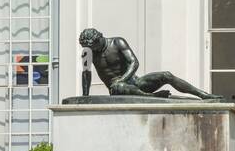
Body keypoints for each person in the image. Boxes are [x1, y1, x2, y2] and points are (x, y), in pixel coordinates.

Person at [79, 28, 222, 99]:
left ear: (99, 38)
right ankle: (152, 97)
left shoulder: (117, 42)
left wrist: (122, 79)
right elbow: (86, 74)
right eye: (88, 47)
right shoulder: (88, 53)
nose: (91, 49)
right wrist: (85, 98)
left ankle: (203, 95)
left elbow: (134, 63)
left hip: (136, 84)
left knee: (166, 75)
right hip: (118, 90)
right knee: (119, 86)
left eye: (93, 46)